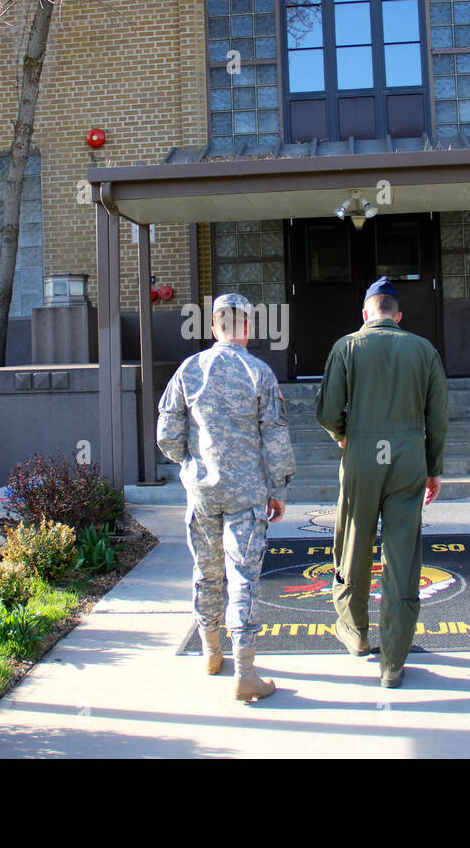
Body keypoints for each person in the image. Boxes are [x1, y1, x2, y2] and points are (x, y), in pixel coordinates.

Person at [157, 292, 295, 702]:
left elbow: (167, 432)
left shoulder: (189, 369)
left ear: (214, 326)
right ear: (248, 328)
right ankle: (246, 671)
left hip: (202, 492)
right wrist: (278, 488)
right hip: (247, 492)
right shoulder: (260, 373)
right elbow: (275, 436)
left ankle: (211, 653)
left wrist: (189, 464)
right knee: (244, 578)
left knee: (206, 571)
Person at [314, 276, 448, 688]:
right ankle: (394, 659)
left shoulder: (347, 346)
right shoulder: (423, 349)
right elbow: (438, 414)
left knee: (353, 539)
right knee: (403, 551)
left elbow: (327, 409)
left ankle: (355, 633)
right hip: (407, 452)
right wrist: (433, 466)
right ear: (398, 316)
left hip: (362, 452)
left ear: (366, 313)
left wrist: (342, 434)